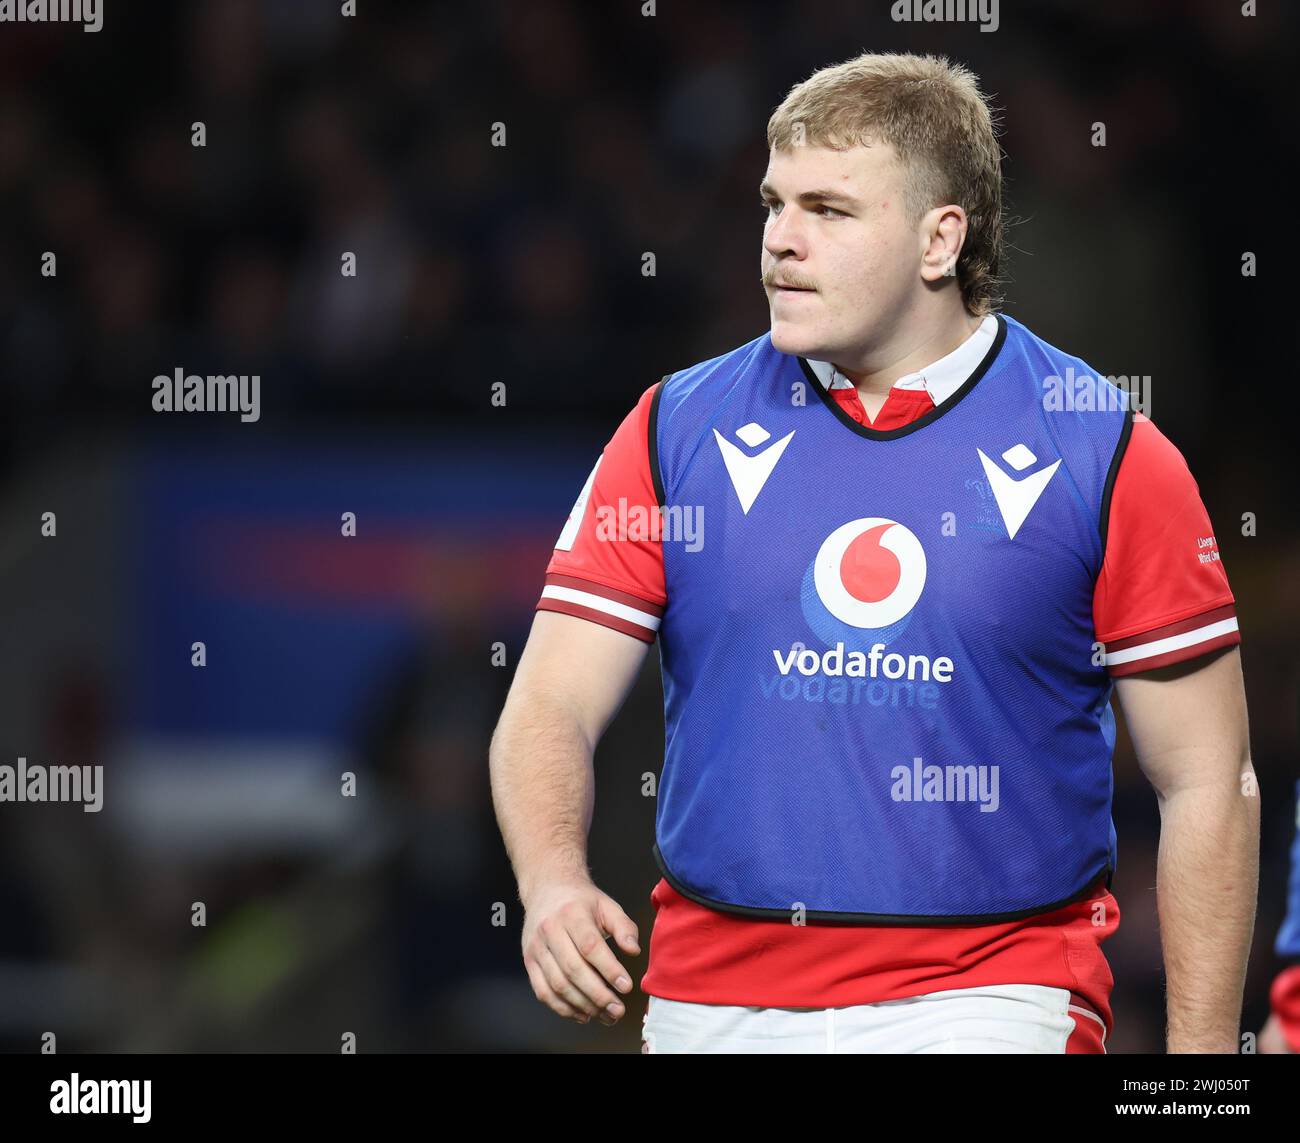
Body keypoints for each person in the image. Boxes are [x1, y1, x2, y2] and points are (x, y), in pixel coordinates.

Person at [489, 51, 1256, 1053]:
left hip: (988, 996)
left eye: (828, 210)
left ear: (942, 238)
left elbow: (1207, 782)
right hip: (704, 999)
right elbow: (546, 703)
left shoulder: (1104, 451)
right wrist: (550, 882)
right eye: (771, 204)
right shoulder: (671, 430)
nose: (779, 243)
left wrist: (1197, 1075)